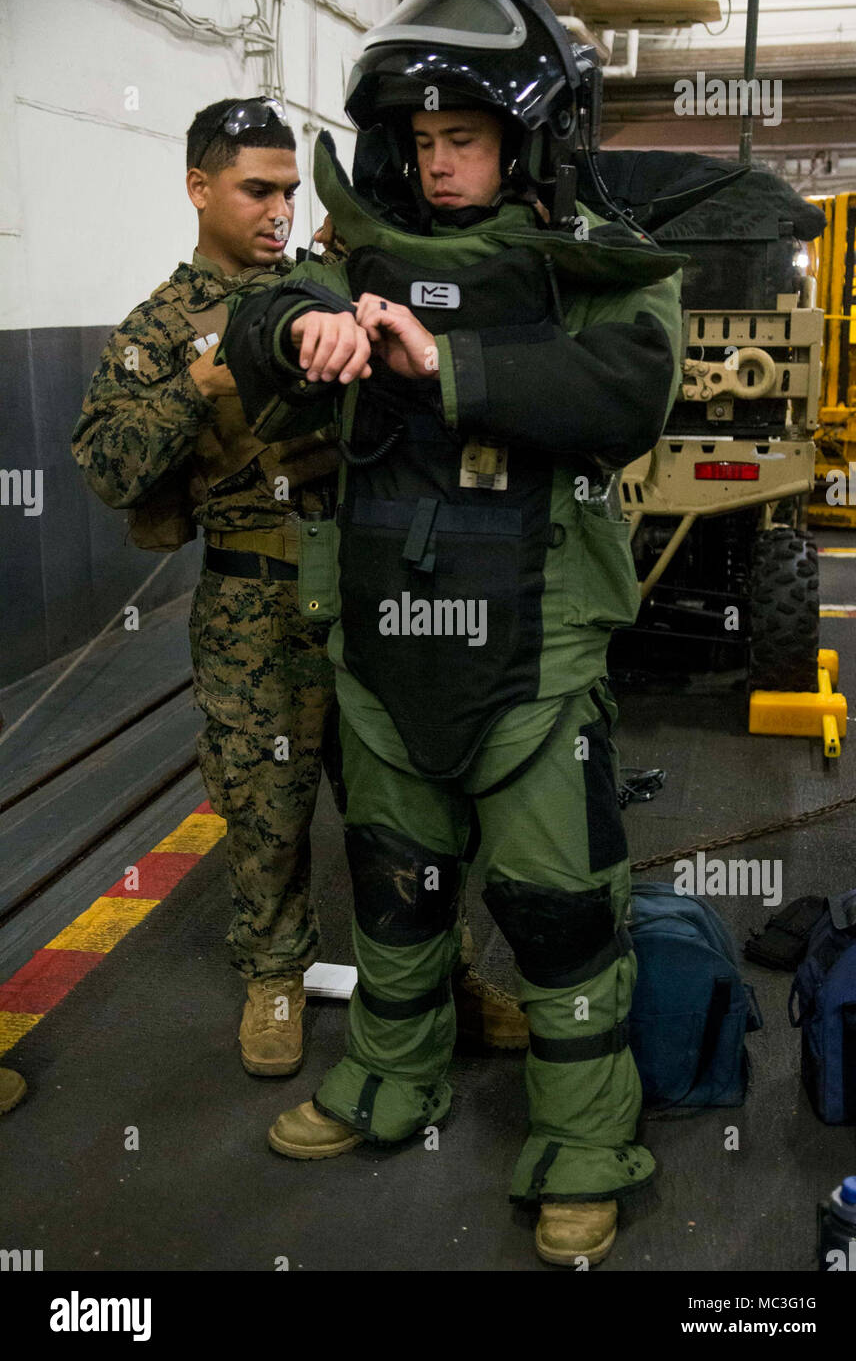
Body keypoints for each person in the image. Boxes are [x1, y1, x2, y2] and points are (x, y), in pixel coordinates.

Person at [218, 0, 687, 1266]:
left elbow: (633, 382)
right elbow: (255, 314)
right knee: (398, 893)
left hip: (532, 662)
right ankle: (385, 1078)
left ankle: (585, 1147)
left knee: (555, 911)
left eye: (461, 138)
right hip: (382, 655)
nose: (435, 165)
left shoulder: (592, 254)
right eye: (420, 141)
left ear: (525, 134)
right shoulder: (355, 251)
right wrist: (311, 323)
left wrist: (452, 363)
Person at [71, 95, 522, 1080]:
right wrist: (202, 384)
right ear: (199, 188)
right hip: (251, 602)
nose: (277, 209)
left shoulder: (328, 288)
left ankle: (435, 974)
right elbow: (107, 465)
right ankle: (273, 975)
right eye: (254, 189)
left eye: (287, 190)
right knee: (264, 806)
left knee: (408, 801)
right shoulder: (158, 325)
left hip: (365, 582)